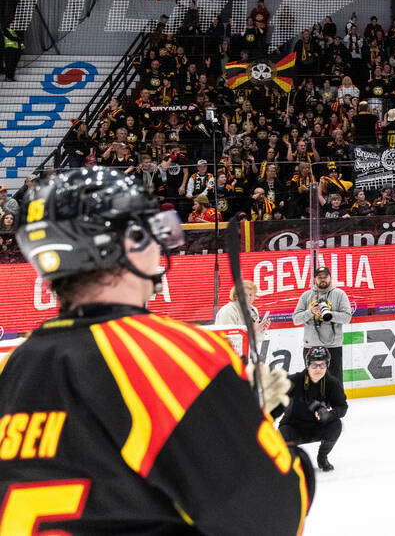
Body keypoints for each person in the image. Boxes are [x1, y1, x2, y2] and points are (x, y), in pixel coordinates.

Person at [0, 167, 312, 532]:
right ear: (130, 240)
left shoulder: (14, 367)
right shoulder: (172, 353)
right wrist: (247, 426)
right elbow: (270, 518)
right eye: (148, 227)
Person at [274, 347, 348, 473]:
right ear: (307, 365)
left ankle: (322, 457)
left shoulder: (332, 383)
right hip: (294, 427)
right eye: (314, 365)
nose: (318, 369)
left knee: (337, 425)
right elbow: (276, 401)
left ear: (327, 365)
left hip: (318, 427)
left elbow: (342, 407)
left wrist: (330, 415)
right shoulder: (294, 380)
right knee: (281, 435)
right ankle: (291, 460)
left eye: (322, 365)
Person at [292, 266, 353, 379]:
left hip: (333, 346)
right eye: (319, 277)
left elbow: (347, 318)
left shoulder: (339, 294)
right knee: (312, 383)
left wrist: (329, 315)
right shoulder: (306, 296)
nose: (322, 279)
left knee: (335, 382)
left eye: (325, 276)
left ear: (330, 277)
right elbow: (296, 319)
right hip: (311, 346)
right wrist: (311, 312)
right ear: (315, 279)